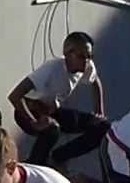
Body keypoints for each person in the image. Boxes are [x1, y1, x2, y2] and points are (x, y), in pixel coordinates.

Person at [8, 32, 108, 169]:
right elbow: (15, 95)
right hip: (27, 110)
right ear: (68, 53)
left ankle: (58, 157)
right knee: (52, 128)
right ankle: (33, 164)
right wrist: (34, 122)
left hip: (52, 111)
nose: (86, 61)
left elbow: (96, 82)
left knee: (102, 126)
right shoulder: (51, 68)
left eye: (89, 56)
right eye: (81, 56)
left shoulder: (87, 66)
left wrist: (99, 112)